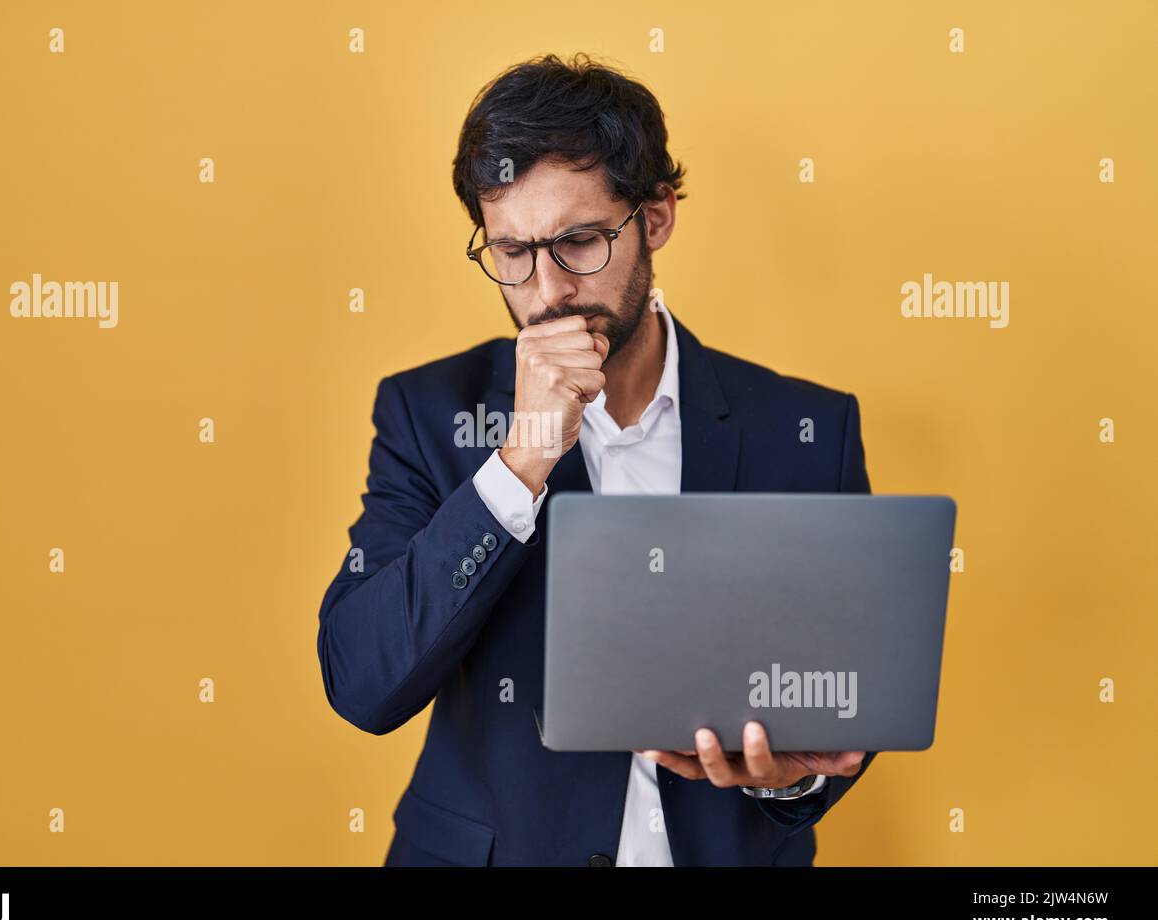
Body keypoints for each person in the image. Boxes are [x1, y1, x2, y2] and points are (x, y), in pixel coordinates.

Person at [317, 53, 875, 866]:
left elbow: (850, 684)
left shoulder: (807, 428)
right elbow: (363, 681)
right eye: (510, 253)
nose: (544, 292)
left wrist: (791, 779)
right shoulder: (427, 413)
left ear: (655, 218)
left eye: (577, 241)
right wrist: (517, 466)